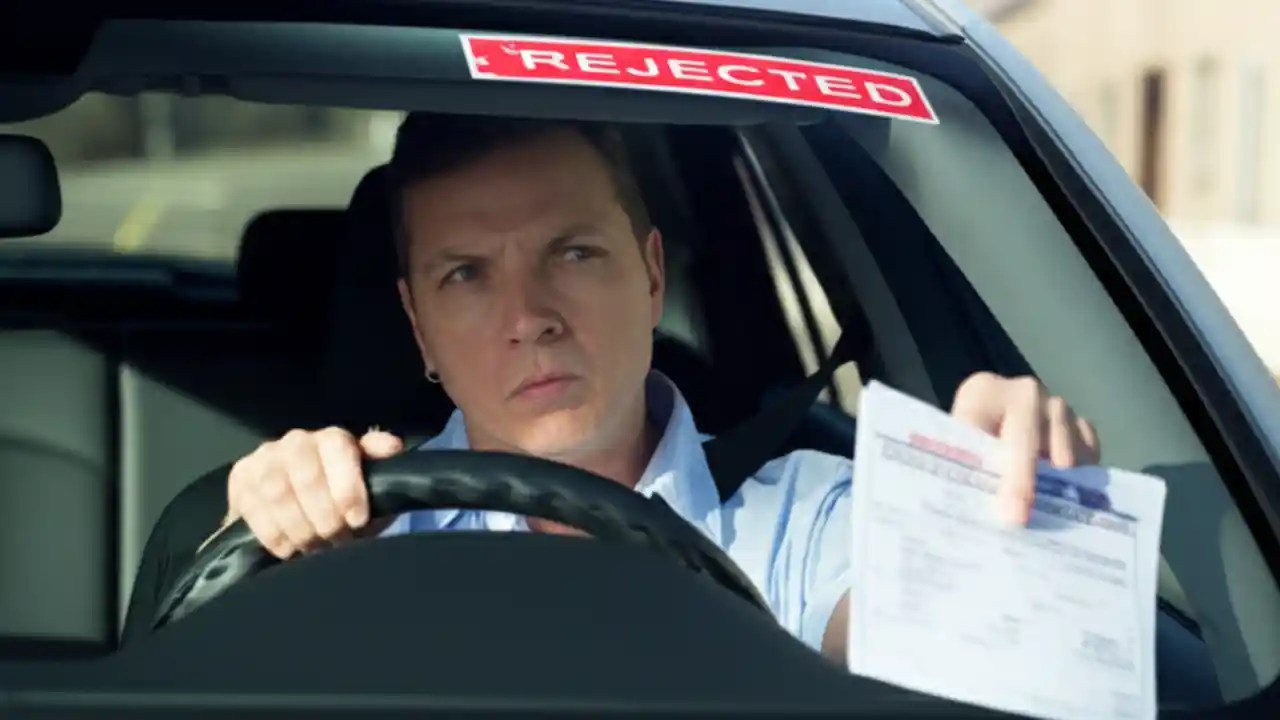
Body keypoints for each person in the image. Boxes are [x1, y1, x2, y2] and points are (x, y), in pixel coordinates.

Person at [193, 113, 1101, 662]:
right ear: (419, 323)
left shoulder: (810, 521)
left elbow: (961, 647)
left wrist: (1004, 528)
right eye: (466, 274)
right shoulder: (358, 539)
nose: (529, 315)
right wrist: (267, 544)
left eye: (574, 253)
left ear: (652, 274)